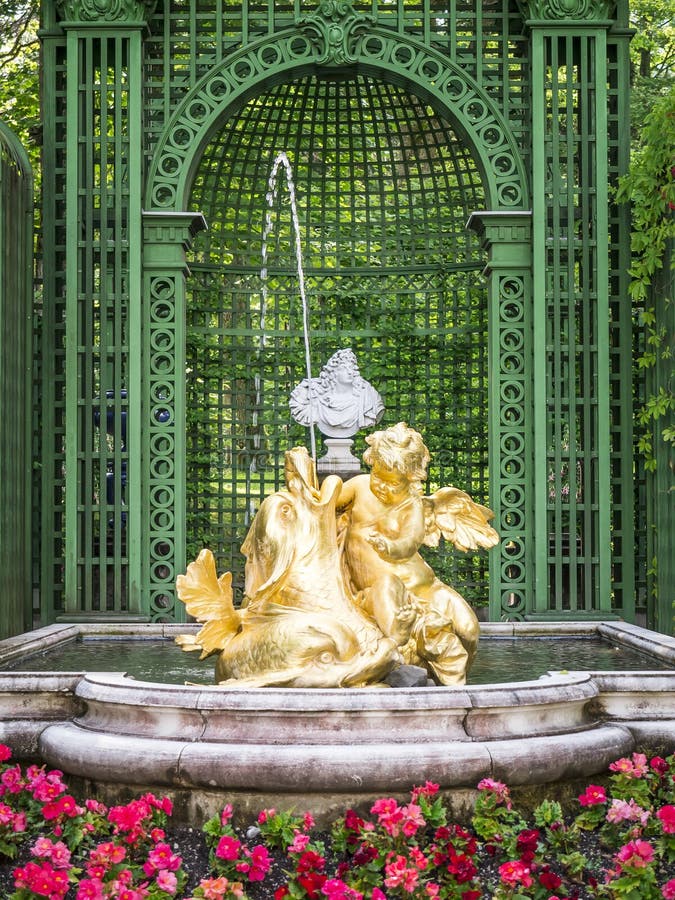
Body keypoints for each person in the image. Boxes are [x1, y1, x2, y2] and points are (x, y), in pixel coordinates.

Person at [336, 422, 497, 685]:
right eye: (379, 475)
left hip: (427, 588)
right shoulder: (358, 486)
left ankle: (452, 688)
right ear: (372, 462)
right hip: (385, 591)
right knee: (398, 622)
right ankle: (405, 671)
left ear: (410, 475)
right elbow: (318, 505)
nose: (383, 486)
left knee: (469, 629)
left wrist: (390, 546)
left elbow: (410, 542)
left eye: (393, 480)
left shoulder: (413, 504)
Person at [289, 348, 384, 438]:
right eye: (344, 368)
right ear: (333, 373)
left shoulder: (368, 395)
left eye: (351, 368)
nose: (350, 372)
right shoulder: (313, 392)